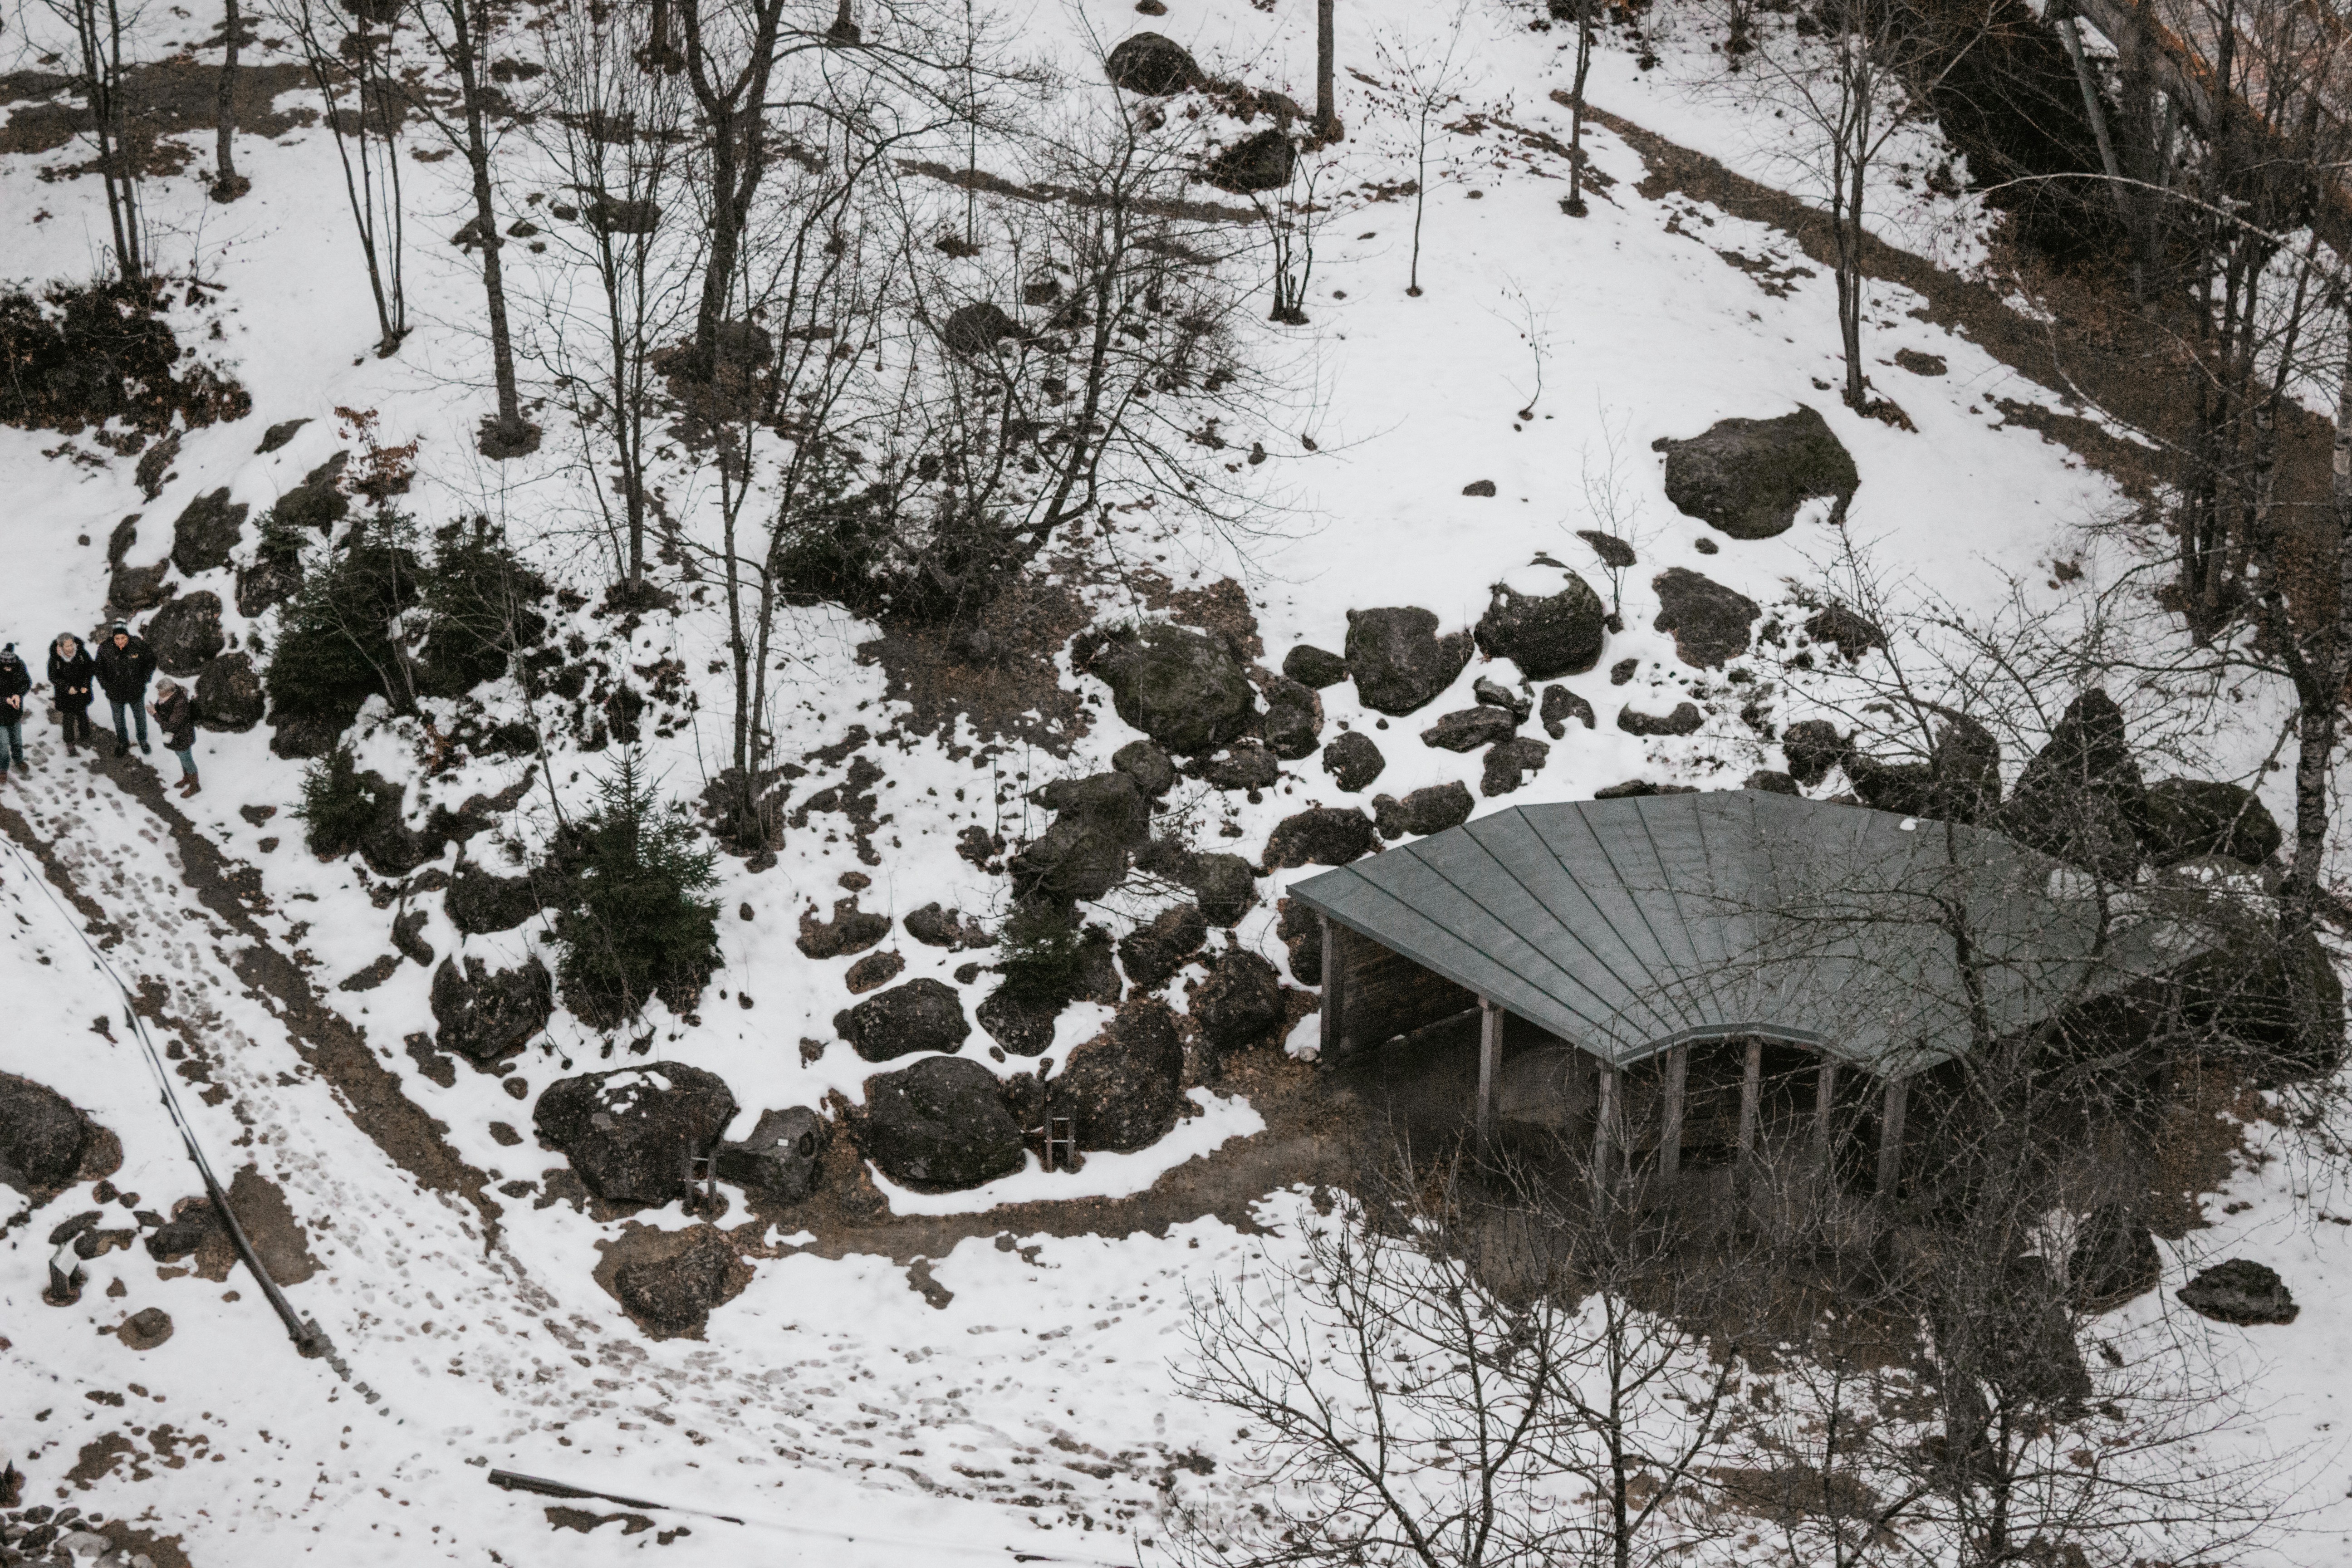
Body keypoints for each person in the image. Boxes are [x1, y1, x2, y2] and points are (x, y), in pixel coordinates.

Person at [94, 621, 156, 759]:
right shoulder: (105, 648)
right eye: (117, 638)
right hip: (115, 693)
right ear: (113, 638)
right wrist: (106, 686)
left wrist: (144, 679)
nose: (120, 641)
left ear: (128, 636)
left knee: (140, 718)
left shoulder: (138, 645)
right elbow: (98, 669)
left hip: (136, 691)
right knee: (118, 719)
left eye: (123, 638)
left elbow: (151, 661)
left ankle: (143, 740)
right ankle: (123, 742)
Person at [48, 632, 94, 755]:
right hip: (65, 694)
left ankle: (85, 736)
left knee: (82, 715)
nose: (70, 648)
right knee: (68, 718)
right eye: (67, 646)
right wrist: (67, 687)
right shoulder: (55, 659)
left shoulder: (81, 654)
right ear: (61, 646)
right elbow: (53, 677)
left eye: (71, 645)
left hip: (81, 691)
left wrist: (86, 685)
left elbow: (90, 669)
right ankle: (70, 742)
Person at [151, 678, 199, 797]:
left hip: (183, 737)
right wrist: (155, 709)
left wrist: (155, 714)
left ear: (169, 691)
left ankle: (195, 786)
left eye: (161, 692)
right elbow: (164, 712)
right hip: (176, 737)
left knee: (187, 761)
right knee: (182, 758)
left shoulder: (180, 704)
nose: (159, 694)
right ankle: (187, 778)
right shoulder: (166, 698)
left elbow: (172, 725)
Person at [0, 643, 27, 784]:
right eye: (6, 666)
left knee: (17, 740)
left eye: (10, 666)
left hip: (15, 713)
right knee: (3, 744)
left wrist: (18, 694)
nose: (8, 668)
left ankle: (18, 760)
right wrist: (5, 700)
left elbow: (26, 683)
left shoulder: (20, 666)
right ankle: (3, 769)